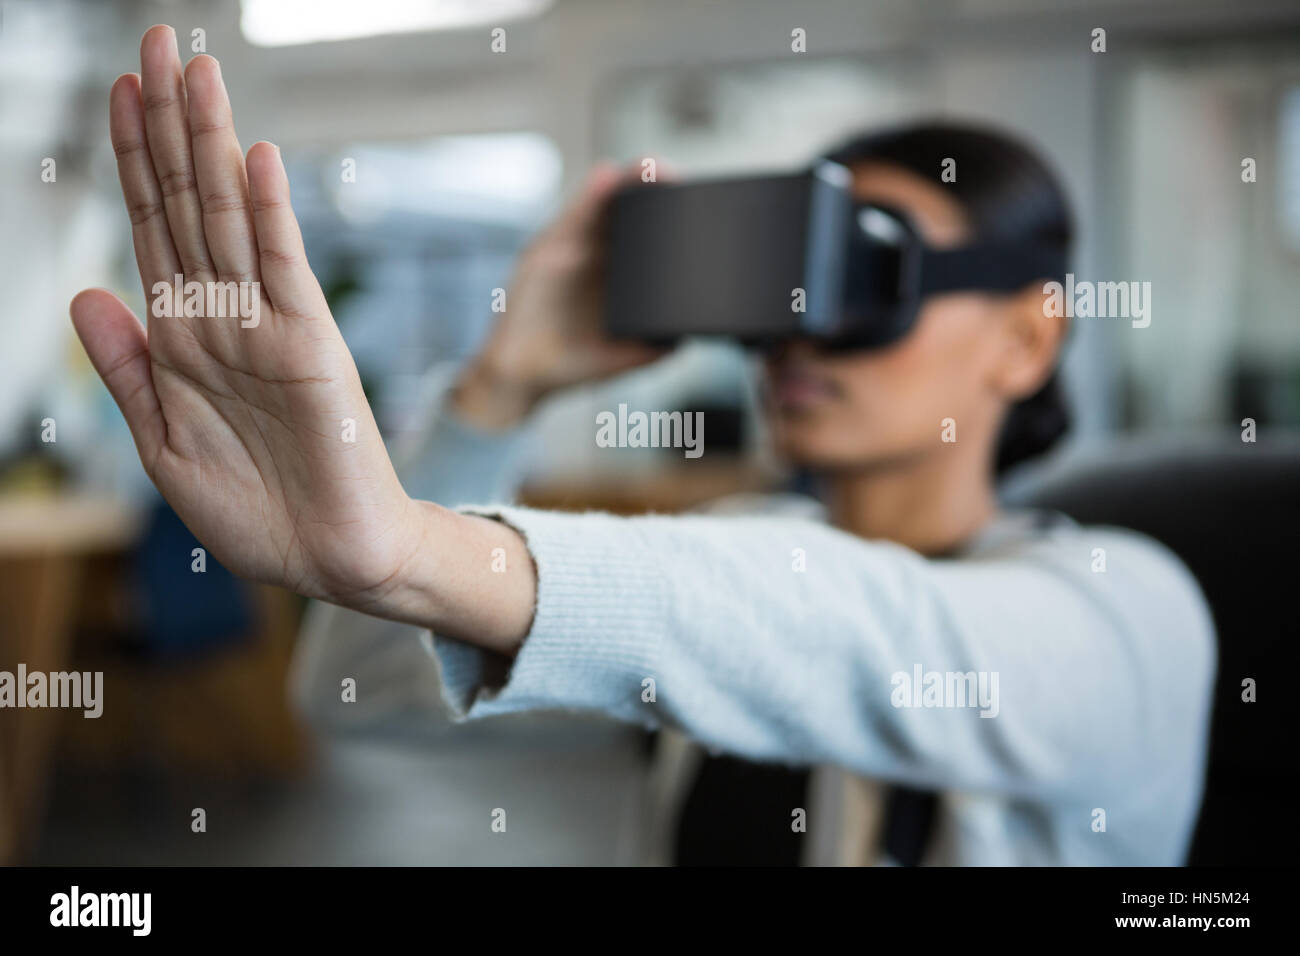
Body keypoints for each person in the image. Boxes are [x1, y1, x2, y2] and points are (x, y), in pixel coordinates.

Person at [71, 25, 1214, 866]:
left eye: (860, 276)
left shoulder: (1129, 612)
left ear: (1025, 335)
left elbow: (841, 628)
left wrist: (413, 542)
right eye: (788, 280)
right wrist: (497, 390)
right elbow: (364, 684)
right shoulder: (731, 553)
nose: (800, 332)